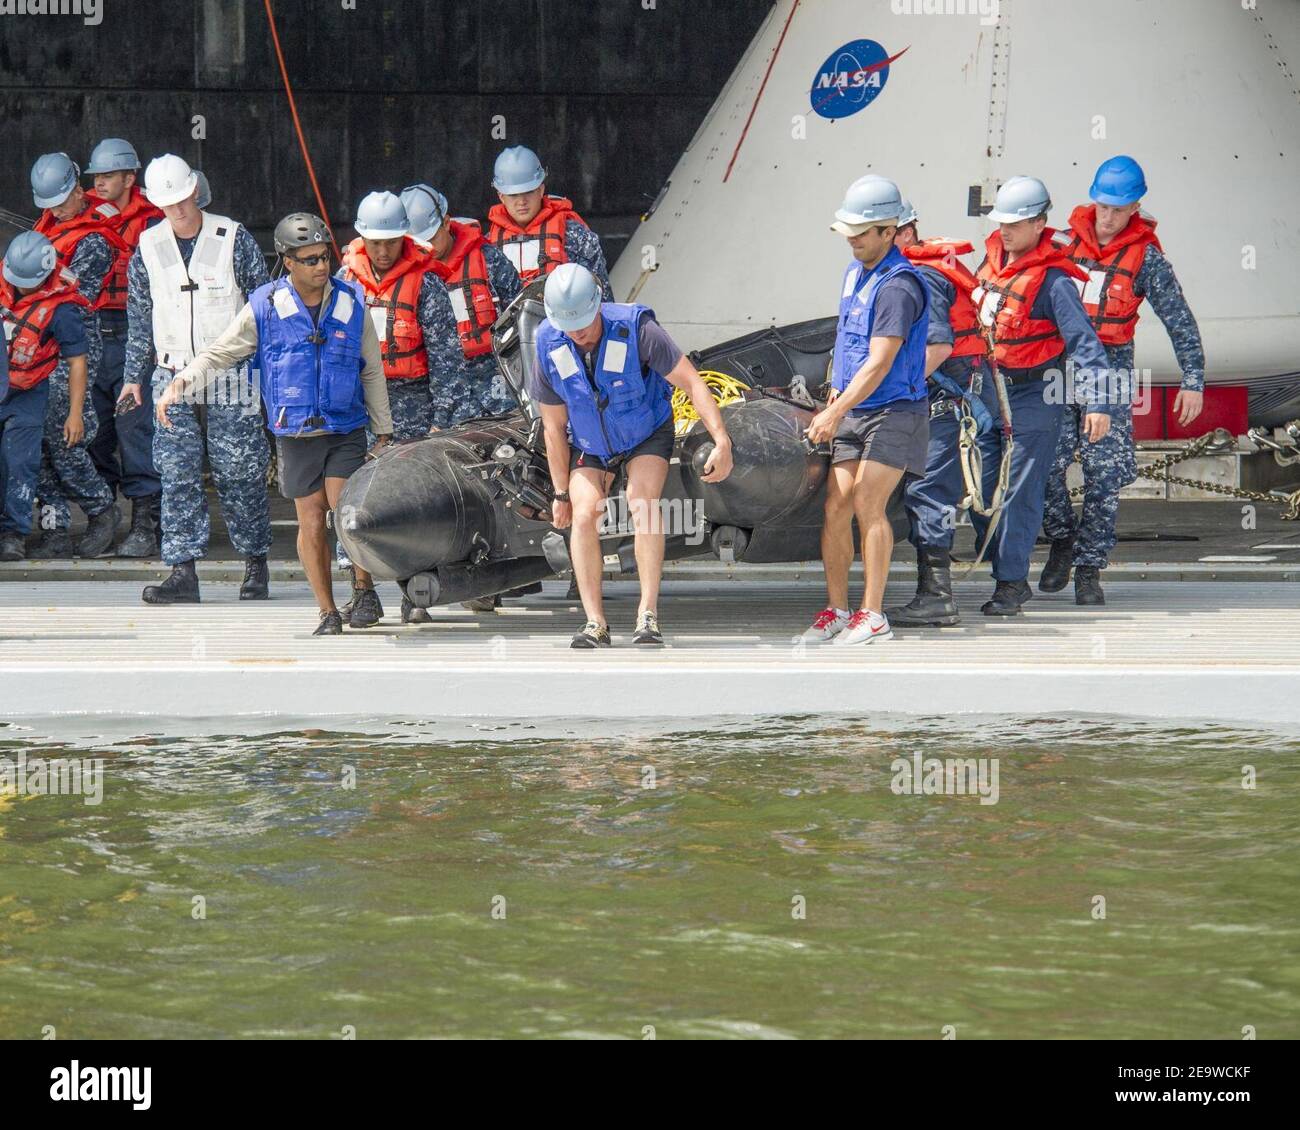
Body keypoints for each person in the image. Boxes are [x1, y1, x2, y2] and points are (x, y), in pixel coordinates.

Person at [157, 213, 394, 635]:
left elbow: (371, 370)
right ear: (288, 261)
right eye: (309, 260)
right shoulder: (265, 306)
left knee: (347, 512)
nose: (321, 267)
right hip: (297, 432)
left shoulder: (351, 301)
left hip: (344, 428)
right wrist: (182, 381)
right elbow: (221, 352)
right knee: (310, 520)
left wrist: (384, 429)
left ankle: (363, 589)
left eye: (324, 258)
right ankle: (327, 610)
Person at [530, 263, 733, 647]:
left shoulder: (639, 330)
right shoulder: (547, 344)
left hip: (646, 432)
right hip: (591, 442)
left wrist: (721, 440)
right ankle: (595, 622)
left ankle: (647, 613)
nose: (579, 333)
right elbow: (553, 427)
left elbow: (691, 381)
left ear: (598, 305)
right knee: (584, 511)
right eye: (569, 327)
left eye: (585, 323)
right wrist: (559, 492)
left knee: (642, 502)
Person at [1039, 156, 1205, 604]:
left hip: (1109, 373)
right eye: (1102, 206)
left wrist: (1193, 378)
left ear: (1135, 207)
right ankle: (1061, 537)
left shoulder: (1147, 258)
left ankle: (1090, 567)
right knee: (1045, 465)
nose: (1107, 217)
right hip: (1056, 367)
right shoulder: (1060, 243)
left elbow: (1179, 320)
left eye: (1117, 208)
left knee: (1104, 472)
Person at [117, 153, 273, 604]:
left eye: (184, 199)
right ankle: (182, 570)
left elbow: (260, 308)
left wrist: (267, 376)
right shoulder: (147, 246)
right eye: (169, 204)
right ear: (154, 203)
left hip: (232, 370)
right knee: (177, 473)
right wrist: (133, 377)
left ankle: (255, 562)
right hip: (171, 373)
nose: (179, 210)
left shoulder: (232, 237)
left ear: (195, 191)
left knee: (241, 470)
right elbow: (140, 316)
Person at [968, 175, 1115, 615]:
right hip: (986, 394)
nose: (1005, 230)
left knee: (1020, 492)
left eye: (1015, 223)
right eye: (1002, 222)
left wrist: (1099, 403)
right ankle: (1003, 564)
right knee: (980, 491)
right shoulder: (990, 264)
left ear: (1039, 224)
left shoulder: (1055, 283)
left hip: (1035, 396)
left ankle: (1010, 584)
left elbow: (1087, 346)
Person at [801, 175, 930, 646]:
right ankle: (837, 609)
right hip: (853, 408)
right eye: (849, 232)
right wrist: (835, 400)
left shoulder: (898, 287)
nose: (852, 240)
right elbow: (848, 348)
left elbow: (879, 363)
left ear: (889, 231)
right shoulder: (854, 275)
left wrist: (835, 414)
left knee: (866, 503)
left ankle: (873, 615)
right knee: (835, 505)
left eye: (862, 232)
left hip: (895, 410)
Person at [887, 199, 999, 627]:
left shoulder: (925, 278)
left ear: (905, 233)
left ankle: (936, 597)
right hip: (954, 397)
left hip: (945, 401)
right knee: (935, 488)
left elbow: (938, 347)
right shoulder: (919, 272)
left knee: (928, 491)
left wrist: (893, 388)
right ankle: (1000, 585)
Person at [29, 151, 124, 558]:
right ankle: (54, 525)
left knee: (64, 434)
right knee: (37, 438)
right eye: (49, 203)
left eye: (62, 200)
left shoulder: (95, 240)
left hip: (74, 343)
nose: (56, 209)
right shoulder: (49, 225)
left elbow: (76, 296)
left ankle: (101, 509)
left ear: (76, 192)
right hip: (36, 341)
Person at [82, 137, 164, 557]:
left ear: (130, 177)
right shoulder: (80, 213)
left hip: (136, 330)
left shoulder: (155, 220)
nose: (99, 181)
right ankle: (102, 513)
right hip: (91, 329)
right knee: (93, 429)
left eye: (108, 174)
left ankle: (145, 524)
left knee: (137, 430)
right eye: (96, 174)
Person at [0, 232, 92, 562]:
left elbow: (77, 360)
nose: (21, 287)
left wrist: (75, 413)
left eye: (29, 282)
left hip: (27, 392)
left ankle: (14, 533)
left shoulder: (62, 310)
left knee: (20, 463)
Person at [420, 184, 522, 427]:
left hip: (498, 392)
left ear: (446, 223)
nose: (428, 249)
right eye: (419, 243)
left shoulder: (489, 259)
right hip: (444, 405)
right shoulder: (413, 280)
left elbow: (521, 314)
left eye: (431, 238)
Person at [484, 146, 612, 297]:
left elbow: (602, 299)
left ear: (541, 190)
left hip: (564, 318)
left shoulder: (576, 237)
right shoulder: (487, 247)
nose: (521, 202)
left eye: (528, 191)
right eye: (513, 195)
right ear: (501, 196)